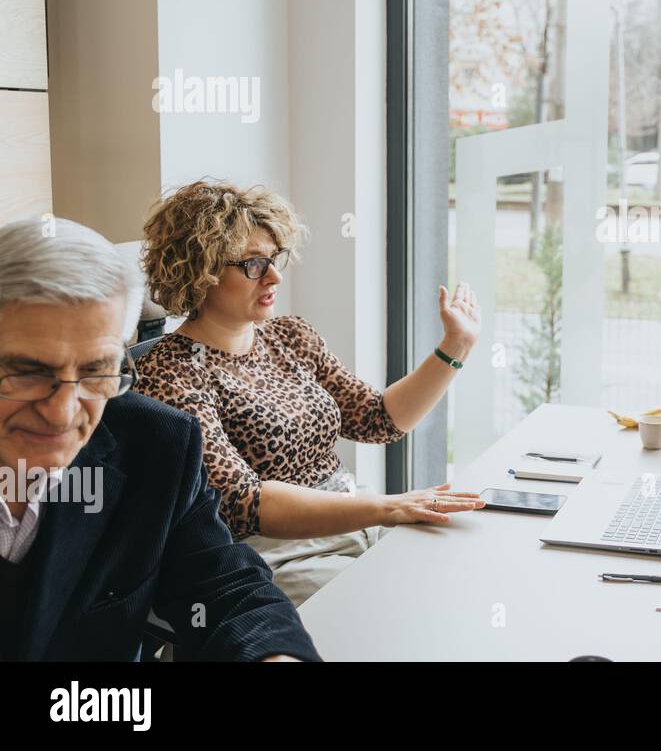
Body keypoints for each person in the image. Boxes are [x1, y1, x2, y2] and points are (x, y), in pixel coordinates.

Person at [134, 180, 483, 606]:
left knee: (458, 582)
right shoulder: (170, 373)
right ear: (199, 270)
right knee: (394, 613)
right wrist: (387, 506)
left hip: (355, 519)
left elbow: (378, 418)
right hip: (272, 553)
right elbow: (246, 503)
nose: (275, 275)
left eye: (275, 258)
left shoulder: (290, 336)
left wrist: (454, 348)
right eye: (253, 264)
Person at [0, 217, 318, 661]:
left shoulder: (156, 442)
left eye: (96, 371)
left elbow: (222, 588)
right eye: (29, 372)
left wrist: (275, 657)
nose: (63, 412)